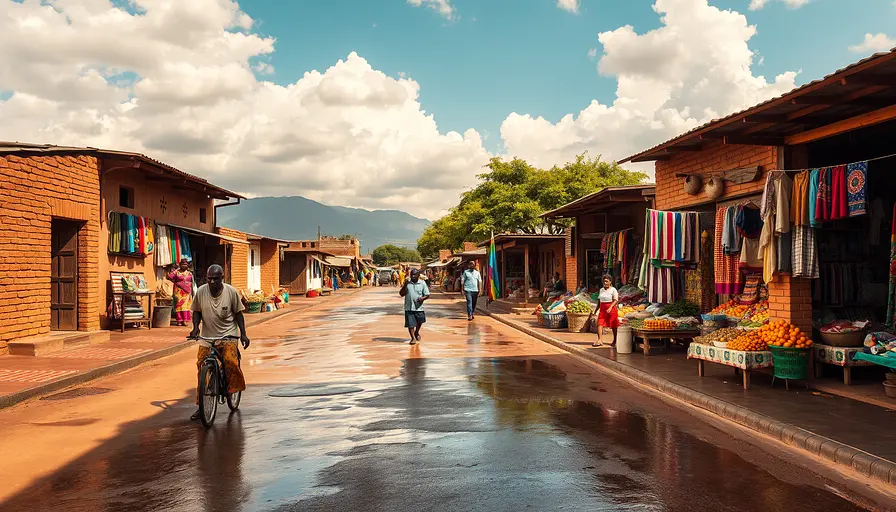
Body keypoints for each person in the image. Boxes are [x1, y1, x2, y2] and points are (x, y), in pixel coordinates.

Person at [189, 265, 250, 421]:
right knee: (201, 365)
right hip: (207, 337)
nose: (211, 282)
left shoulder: (231, 292)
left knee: (230, 361)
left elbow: (238, 314)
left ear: (222, 277)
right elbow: (196, 311)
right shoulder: (201, 292)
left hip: (228, 336)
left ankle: (232, 388)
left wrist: (243, 335)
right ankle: (201, 405)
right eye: (209, 279)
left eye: (215, 279)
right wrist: (195, 328)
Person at [400, 268, 430, 344]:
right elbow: (401, 294)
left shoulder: (422, 283)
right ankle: (413, 338)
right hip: (409, 307)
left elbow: (427, 294)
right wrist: (405, 285)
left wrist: (422, 298)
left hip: (419, 307)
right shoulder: (407, 283)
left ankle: (416, 332)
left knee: (420, 321)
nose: (413, 276)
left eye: (414, 274)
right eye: (411, 274)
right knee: (410, 324)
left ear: (418, 275)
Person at [593, 275, 619, 347]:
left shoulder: (613, 290)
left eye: (607, 281)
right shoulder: (601, 290)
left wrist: (610, 307)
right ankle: (600, 340)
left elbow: (615, 300)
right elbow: (599, 301)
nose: (605, 283)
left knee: (613, 325)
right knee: (599, 324)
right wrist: (595, 311)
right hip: (602, 309)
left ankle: (615, 340)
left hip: (611, 309)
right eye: (604, 281)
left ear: (610, 282)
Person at [167, 258, 194, 326]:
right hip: (178, 291)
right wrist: (174, 282)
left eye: (186, 264)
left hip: (187, 292)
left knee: (185, 306)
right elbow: (169, 277)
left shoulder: (190, 273)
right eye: (183, 264)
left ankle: (184, 320)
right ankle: (179, 320)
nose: (184, 265)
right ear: (180, 265)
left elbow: (192, 282)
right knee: (178, 305)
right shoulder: (176, 272)